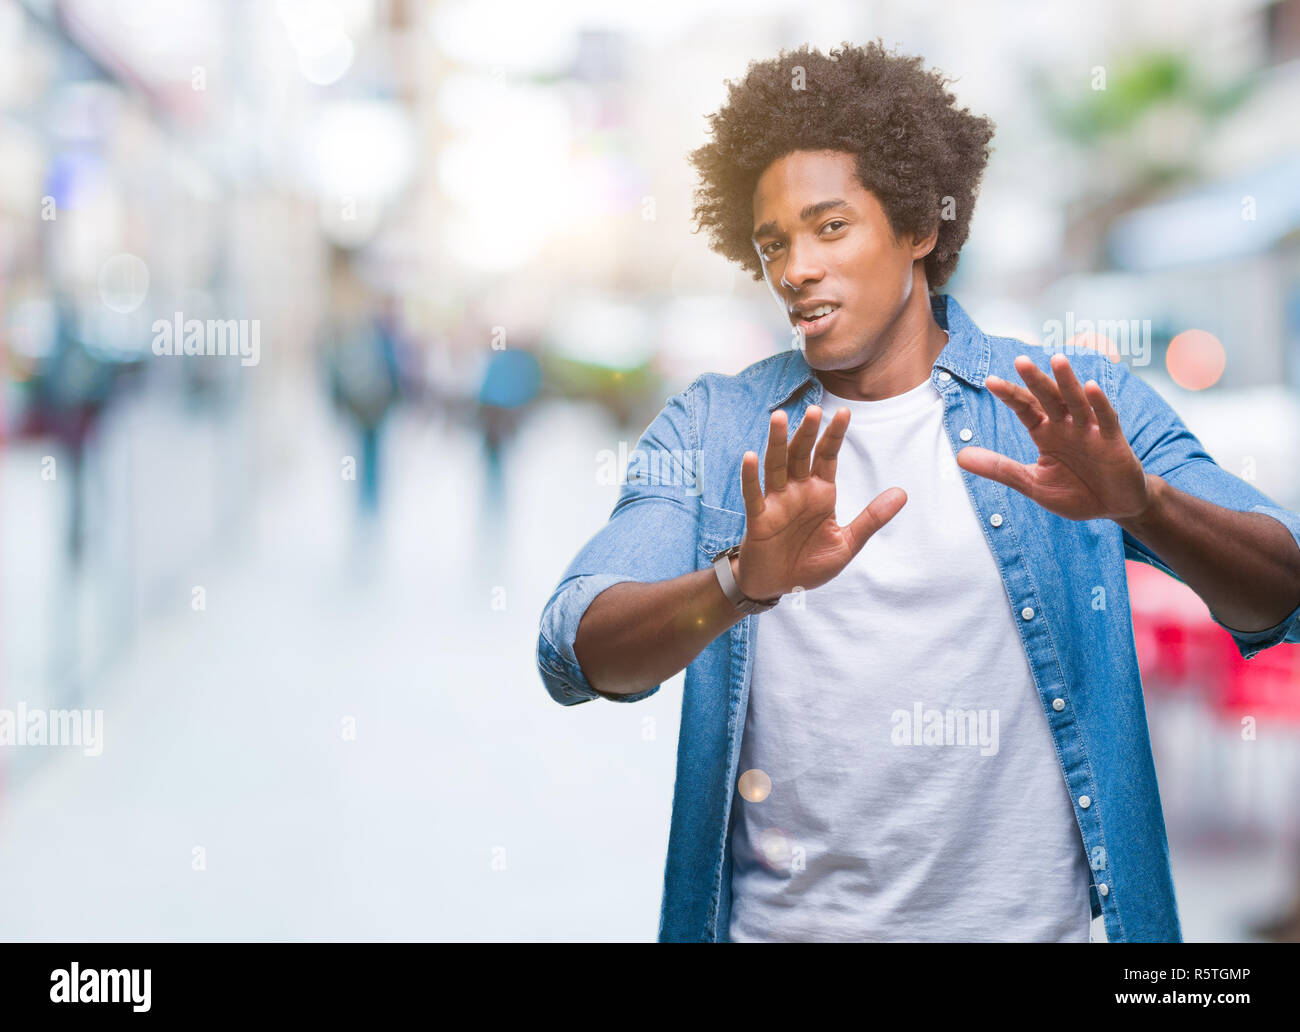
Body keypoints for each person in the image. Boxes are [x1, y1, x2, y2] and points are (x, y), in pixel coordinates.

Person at [534, 41, 1300, 943]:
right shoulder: (715, 430)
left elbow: (1282, 587)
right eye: (773, 243)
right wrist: (739, 583)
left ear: (919, 230)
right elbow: (572, 652)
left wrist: (1146, 507)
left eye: (829, 227)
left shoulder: (1069, 404)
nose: (794, 270)